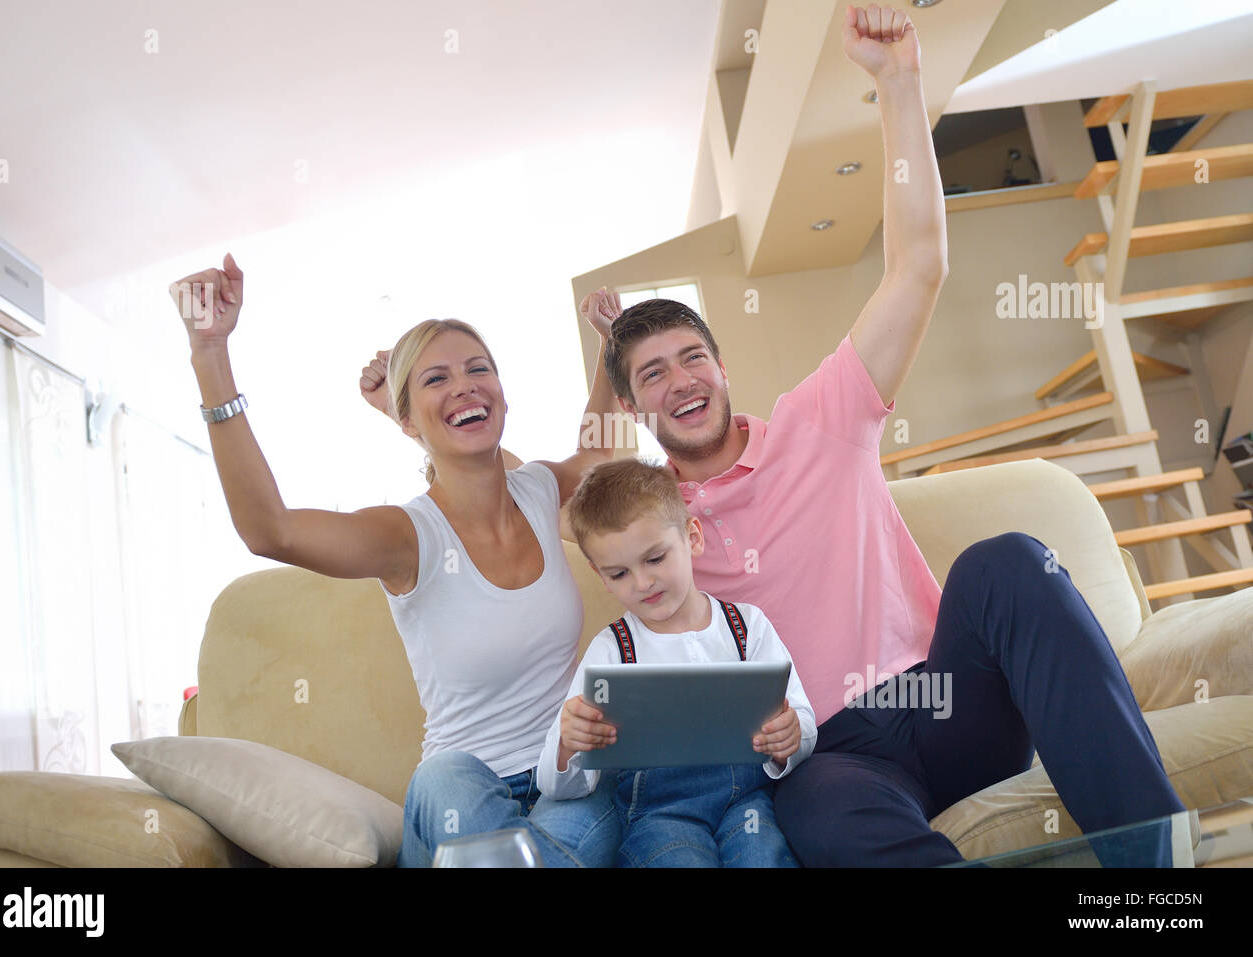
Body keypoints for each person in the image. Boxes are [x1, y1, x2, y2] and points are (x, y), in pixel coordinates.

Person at [574, 5, 1183, 865]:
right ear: (633, 403)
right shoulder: (656, 526)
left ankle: (1154, 886)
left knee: (1007, 560)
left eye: (691, 357)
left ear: (721, 365)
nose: (680, 381)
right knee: (815, 815)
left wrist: (899, 85)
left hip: (945, 696)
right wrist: (606, 352)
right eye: (651, 374)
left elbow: (919, 266)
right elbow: (582, 487)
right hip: (834, 755)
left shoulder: (818, 417)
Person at [169, 259, 631, 867]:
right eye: (436, 379)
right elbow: (270, 530)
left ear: (501, 396)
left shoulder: (540, 491)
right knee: (448, 780)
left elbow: (597, 449)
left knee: (603, 796)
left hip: (563, 774)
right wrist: (210, 353)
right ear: (406, 420)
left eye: (478, 370)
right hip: (458, 796)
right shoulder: (408, 536)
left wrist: (612, 343)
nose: (465, 385)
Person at [536, 457, 816, 867]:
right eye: (619, 574)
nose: (643, 583)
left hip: (747, 802)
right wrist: (568, 743)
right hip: (661, 814)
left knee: (763, 856)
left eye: (654, 559)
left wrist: (790, 738)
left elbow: (801, 717)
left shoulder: (747, 626)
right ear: (600, 576)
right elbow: (555, 784)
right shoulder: (613, 649)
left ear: (693, 538)